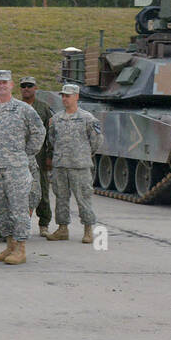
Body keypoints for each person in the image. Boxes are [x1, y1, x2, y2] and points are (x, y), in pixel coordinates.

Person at [0, 70, 47, 265]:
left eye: (5, 82)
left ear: (11, 85)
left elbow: (39, 131)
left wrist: (26, 153)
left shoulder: (23, 109)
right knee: (1, 209)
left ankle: (20, 247)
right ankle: (10, 244)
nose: (1, 86)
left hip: (16, 168)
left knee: (19, 208)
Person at [46, 84, 103, 244]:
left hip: (80, 165)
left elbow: (97, 141)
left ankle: (88, 229)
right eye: (63, 95)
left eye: (68, 96)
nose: (65, 98)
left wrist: (83, 154)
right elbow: (52, 139)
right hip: (60, 165)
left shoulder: (87, 118)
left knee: (83, 197)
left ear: (76, 97)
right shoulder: (56, 119)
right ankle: (62, 228)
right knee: (61, 198)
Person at [20, 76, 54, 237]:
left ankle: (44, 223)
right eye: (23, 86)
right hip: (18, 155)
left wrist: (50, 156)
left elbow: (51, 135)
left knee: (41, 189)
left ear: (35, 88)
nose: (26, 88)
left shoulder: (44, 108)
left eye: (29, 86)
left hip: (39, 155)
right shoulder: (16, 107)